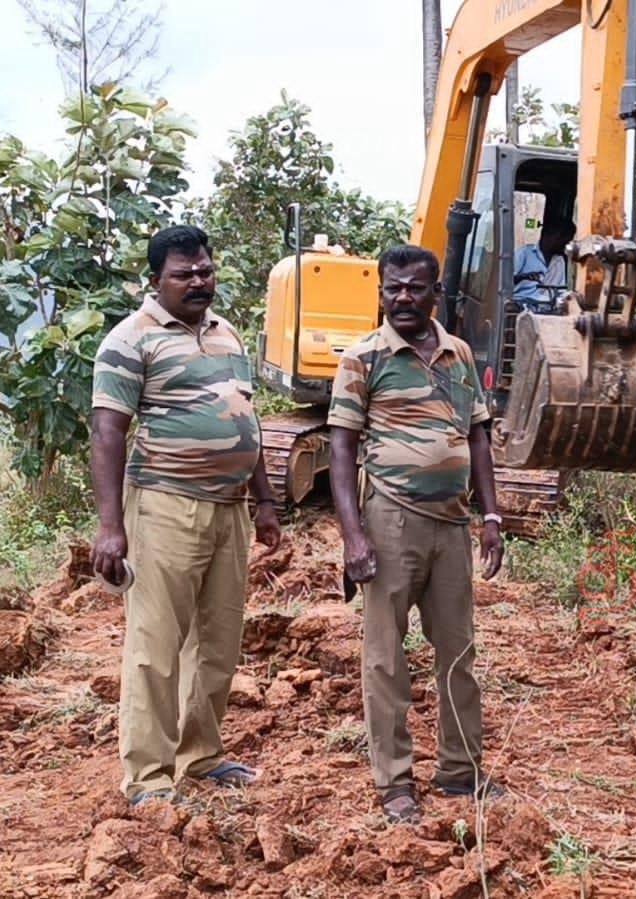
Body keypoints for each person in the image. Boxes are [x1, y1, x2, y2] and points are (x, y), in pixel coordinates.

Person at [89, 225, 283, 807]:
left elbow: (243, 420)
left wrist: (267, 501)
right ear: (155, 281)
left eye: (205, 270)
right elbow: (107, 433)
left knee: (219, 643)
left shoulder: (228, 335)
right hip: (165, 506)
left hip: (230, 511)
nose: (199, 282)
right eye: (184, 274)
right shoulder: (129, 341)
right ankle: (148, 778)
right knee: (156, 646)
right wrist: (110, 526)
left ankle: (201, 757)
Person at [328, 244, 507, 825]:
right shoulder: (365, 358)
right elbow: (341, 449)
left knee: (458, 650)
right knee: (385, 657)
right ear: (381, 293)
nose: (402, 297)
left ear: (435, 293)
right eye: (392, 288)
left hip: (453, 523)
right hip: (391, 521)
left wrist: (492, 516)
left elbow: (477, 437)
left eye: (414, 287)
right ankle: (394, 783)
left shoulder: (457, 354)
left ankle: (460, 770)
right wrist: (353, 537)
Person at [512, 220, 575, 312]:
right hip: (522, 305)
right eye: (563, 241)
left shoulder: (559, 260)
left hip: (548, 308)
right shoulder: (524, 253)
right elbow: (506, 281)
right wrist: (523, 277)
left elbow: (561, 291)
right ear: (549, 235)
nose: (565, 245)